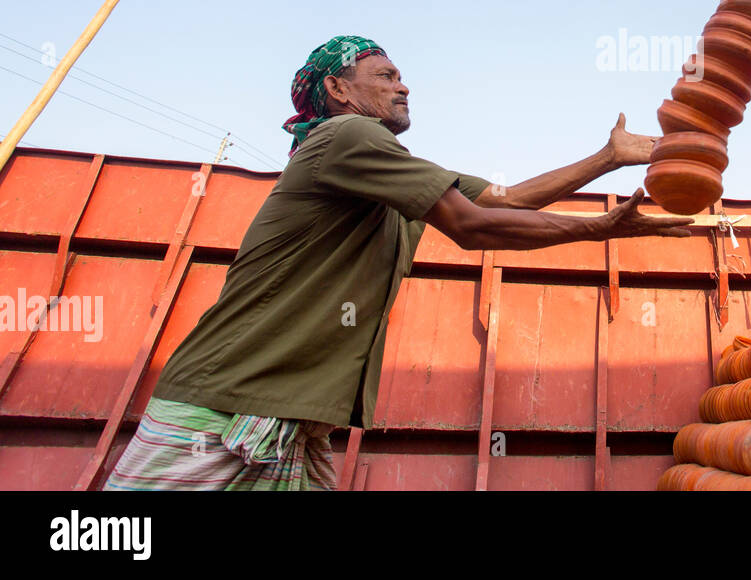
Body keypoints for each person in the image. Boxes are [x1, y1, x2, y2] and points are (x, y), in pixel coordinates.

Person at [104, 35, 690, 490]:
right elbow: (473, 225)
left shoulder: (387, 168)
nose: (403, 86)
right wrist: (601, 229)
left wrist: (606, 158)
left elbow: (504, 201)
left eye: (402, 77)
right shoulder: (347, 137)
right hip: (223, 411)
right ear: (338, 89)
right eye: (385, 75)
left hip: (290, 421)